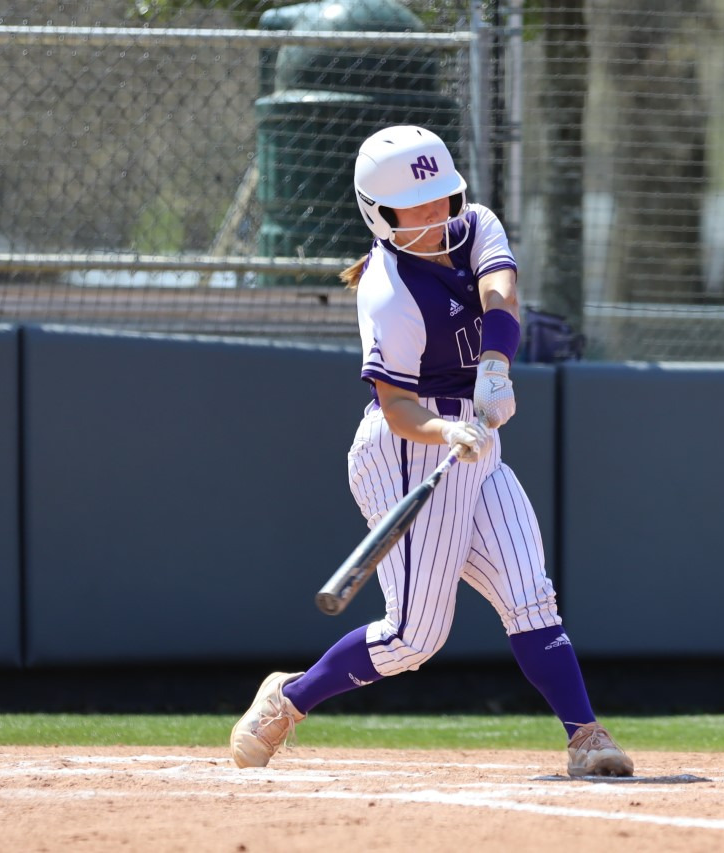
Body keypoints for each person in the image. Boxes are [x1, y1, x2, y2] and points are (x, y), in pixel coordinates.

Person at [229, 124, 633, 778]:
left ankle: (585, 736)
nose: (435, 213)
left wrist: (495, 367)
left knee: (530, 594)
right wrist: (447, 430)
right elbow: (397, 407)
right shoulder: (387, 291)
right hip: (407, 449)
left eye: (441, 196)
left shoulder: (474, 225)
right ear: (380, 215)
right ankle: (289, 697)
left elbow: (500, 291)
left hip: (477, 437)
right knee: (415, 637)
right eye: (414, 207)